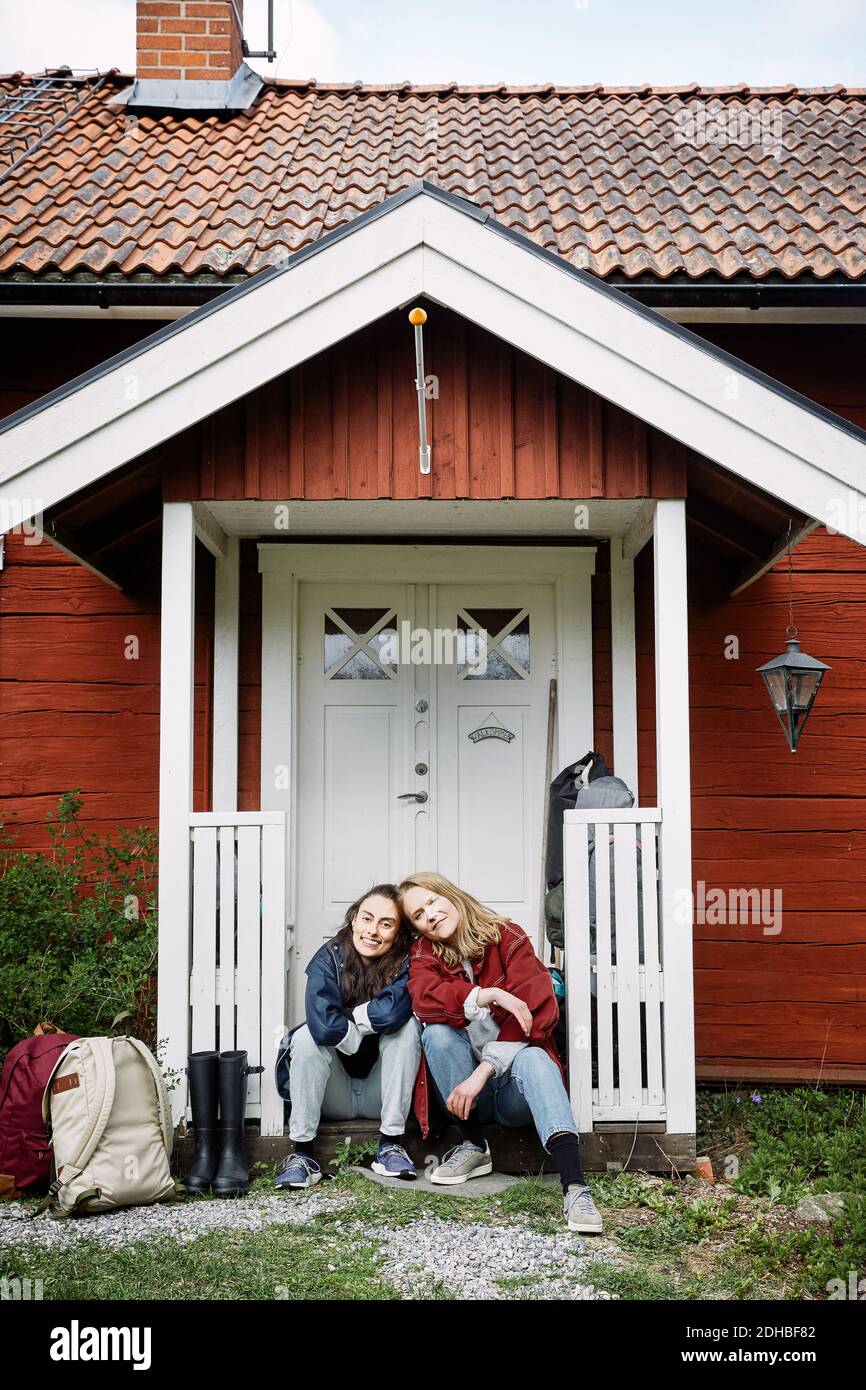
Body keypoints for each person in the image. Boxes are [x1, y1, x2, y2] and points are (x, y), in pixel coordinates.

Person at [399, 871, 603, 1234]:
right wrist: (487, 995)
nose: (429, 915)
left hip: (512, 1091)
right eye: (418, 914)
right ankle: (473, 1144)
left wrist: (484, 1071)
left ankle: (575, 1186)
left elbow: (536, 1009)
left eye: (432, 901)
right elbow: (424, 1000)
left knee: (535, 1057)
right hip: (467, 1097)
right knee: (438, 1035)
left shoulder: (506, 936)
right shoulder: (424, 953)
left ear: (451, 895)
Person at [275, 885, 421, 1189]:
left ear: (398, 932)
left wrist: (346, 1016)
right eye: (367, 919)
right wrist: (358, 1030)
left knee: (406, 1029)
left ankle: (390, 1145)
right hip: (334, 1092)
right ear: (353, 918)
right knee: (305, 1037)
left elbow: (394, 1014)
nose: (373, 931)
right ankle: (303, 1156)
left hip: (380, 1095)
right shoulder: (328, 957)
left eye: (386, 923)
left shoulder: (408, 961)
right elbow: (323, 1028)